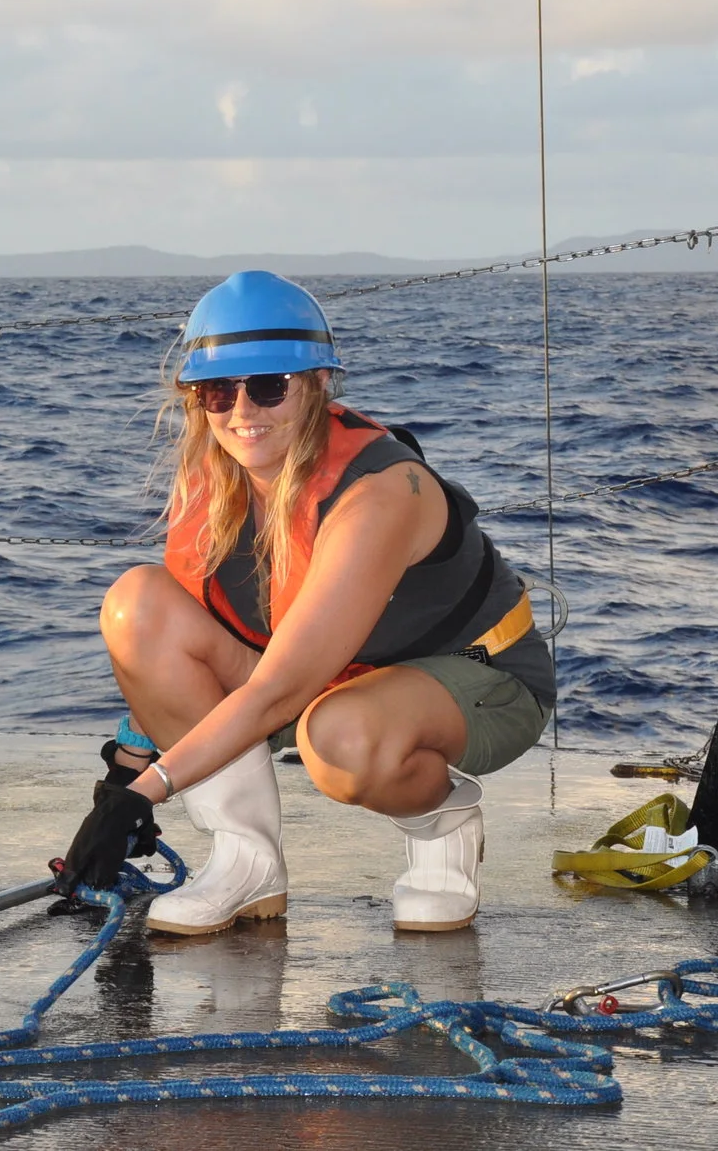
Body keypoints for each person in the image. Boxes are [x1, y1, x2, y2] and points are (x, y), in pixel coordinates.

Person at [57, 271, 556, 934]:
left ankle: (443, 823)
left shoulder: (379, 493)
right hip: (316, 686)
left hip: (472, 680)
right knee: (136, 604)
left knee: (343, 740)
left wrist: (138, 801)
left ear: (319, 385)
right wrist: (124, 773)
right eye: (217, 391)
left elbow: (275, 691)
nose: (241, 413)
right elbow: (189, 647)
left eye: (268, 387)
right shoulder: (218, 479)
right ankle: (245, 861)